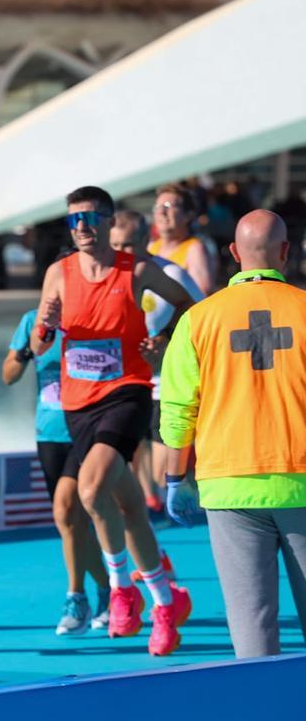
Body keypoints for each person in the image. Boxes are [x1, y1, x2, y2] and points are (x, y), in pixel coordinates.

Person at [32, 186, 196, 657]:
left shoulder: (138, 270)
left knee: (88, 491)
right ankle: (166, 601)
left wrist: (161, 338)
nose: (80, 227)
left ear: (107, 221)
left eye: (89, 217)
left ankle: (122, 588)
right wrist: (46, 324)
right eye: (72, 220)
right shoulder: (58, 275)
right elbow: (40, 345)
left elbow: (190, 308)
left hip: (127, 393)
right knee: (125, 507)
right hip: (78, 403)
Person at [161, 210, 306, 658]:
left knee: (252, 631)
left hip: (228, 487)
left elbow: (178, 411)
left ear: (233, 253)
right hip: (302, 482)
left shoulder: (198, 320)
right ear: (286, 251)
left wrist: (174, 480)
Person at [3, 306, 110, 636]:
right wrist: (29, 347)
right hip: (48, 432)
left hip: (87, 429)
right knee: (71, 522)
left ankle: (76, 597)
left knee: (65, 508)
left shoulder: (94, 317)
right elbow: (8, 375)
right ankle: (109, 590)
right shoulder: (32, 321)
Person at [110, 210, 204, 513]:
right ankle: (149, 539)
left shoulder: (170, 274)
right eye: (114, 245)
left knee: (163, 474)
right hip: (124, 385)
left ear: (144, 241)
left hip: (165, 385)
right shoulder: (107, 276)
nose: (120, 253)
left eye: (127, 245)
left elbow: (203, 318)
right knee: (125, 466)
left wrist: (165, 340)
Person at [149, 185, 214, 296]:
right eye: (157, 207)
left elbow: (201, 295)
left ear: (188, 215)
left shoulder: (194, 249)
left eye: (167, 206)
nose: (161, 212)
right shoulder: (151, 247)